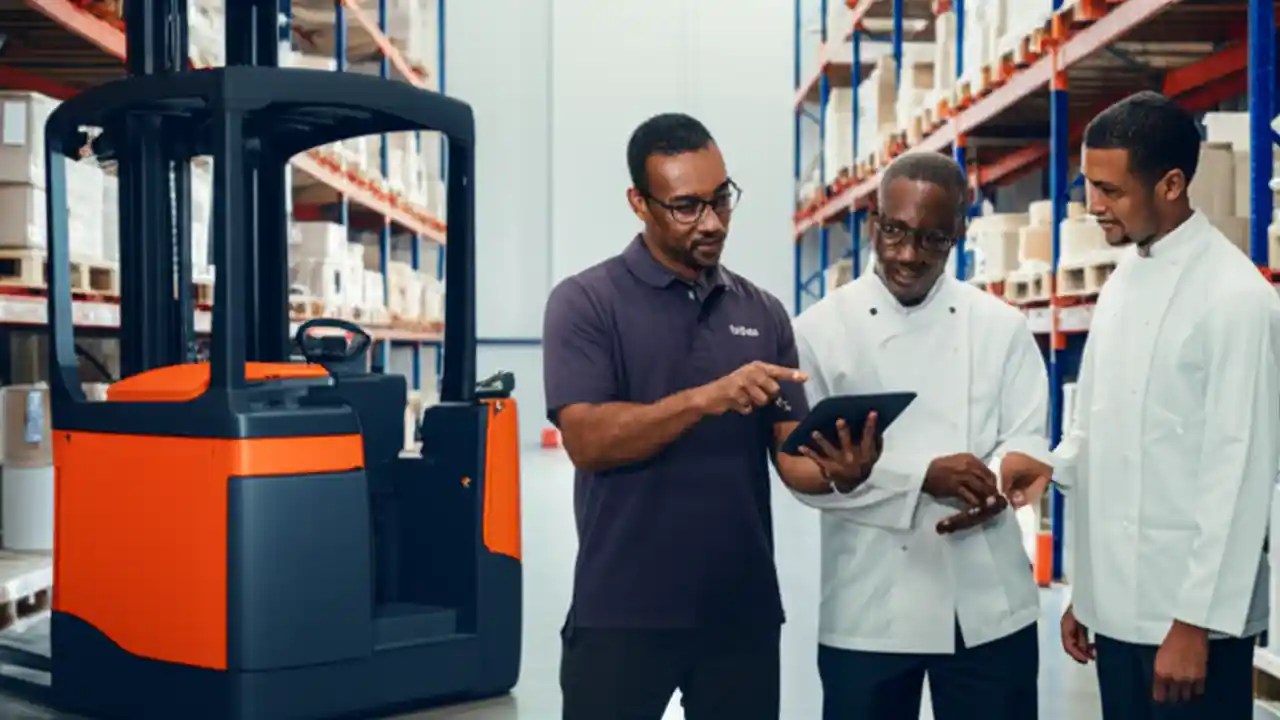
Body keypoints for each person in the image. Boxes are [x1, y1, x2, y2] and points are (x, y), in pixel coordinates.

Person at [542, 112, 875, 720]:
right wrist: (707, 397)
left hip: (740, 612)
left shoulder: (763, 312)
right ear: (638, 203)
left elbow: (790, 456)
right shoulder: (586, 302)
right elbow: (587, 440)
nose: (714, 222)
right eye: (687, 206)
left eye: (722, 198)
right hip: (622, 610)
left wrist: (839, 471)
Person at [790, 150, 1056, 720]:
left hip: (987, 602)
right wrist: (923, 478)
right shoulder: (819, 333)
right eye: (894, 232)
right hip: (870, 607)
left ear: (959, 231)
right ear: (872, 222)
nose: (908, 254)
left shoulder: (1000, 327)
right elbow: (803, 473)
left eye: (933, 239)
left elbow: (1028, 435)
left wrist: (1002, 480)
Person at [1049, 90, 1280, 718]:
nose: (1093, 205)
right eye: (1089, 184)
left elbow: (1240, 475)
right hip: (1119, 617)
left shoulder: (1235, 298)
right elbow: (1098, 431)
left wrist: (1194, 623)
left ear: (1172, 184)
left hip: (1191, 626)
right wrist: (1088, 596)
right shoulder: (1124, 280)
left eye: (1111, 190)